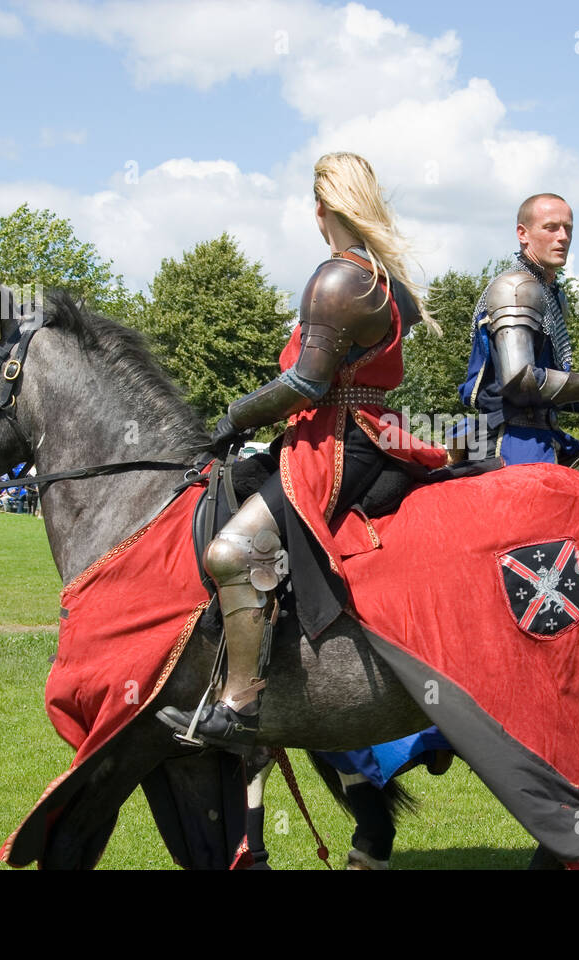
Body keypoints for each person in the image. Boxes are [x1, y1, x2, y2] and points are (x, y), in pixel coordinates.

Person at [158, 153, 448, 756]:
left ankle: (240, 704)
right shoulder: (385, 280)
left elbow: (309, 383)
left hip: (338, 439)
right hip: (360, 429)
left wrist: (234, 416)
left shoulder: (340, 278)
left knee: (234, 551)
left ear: (322, 208)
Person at [458, 193, 579, 465]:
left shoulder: (551, 294)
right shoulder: (516, 289)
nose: (563, 236)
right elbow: (521, 381)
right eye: (551, 227)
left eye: (568, 228)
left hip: (547, 434)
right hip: (511, 440)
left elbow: (551, 391)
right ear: (523, 233)